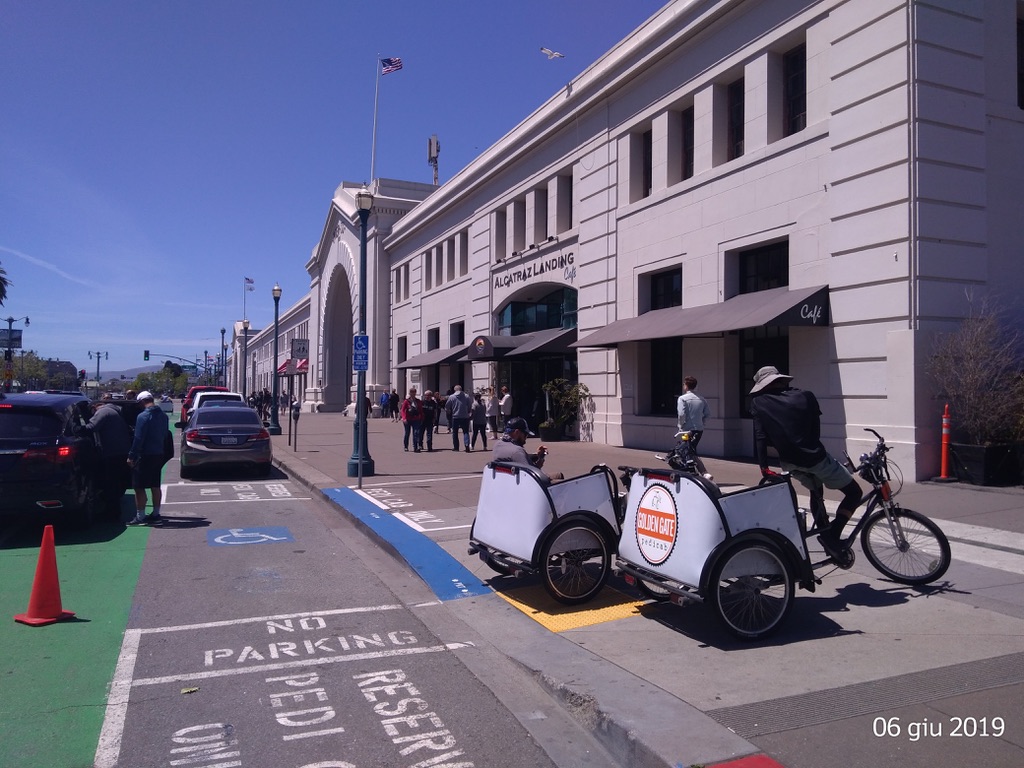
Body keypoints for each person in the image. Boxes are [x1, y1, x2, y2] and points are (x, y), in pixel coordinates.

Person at [749, 366, 862, 559]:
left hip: (788, 462)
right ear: (783, 380)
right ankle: (832, 535)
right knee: (854, 493)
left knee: (816, 491)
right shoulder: (806, 396)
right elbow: (815, 430)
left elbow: (760, 436)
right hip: (814, 457)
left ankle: (826, 537)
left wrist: (764, 467)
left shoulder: (758, 402)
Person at [83, 400, 133, 518]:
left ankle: (112, 513)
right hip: (120, 451)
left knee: (111, 484)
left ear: (94, 407)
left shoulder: (103, 412)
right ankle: (113, 510)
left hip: (112, 453)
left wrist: (76, 427)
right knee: (114, 483)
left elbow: (91, 427)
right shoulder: (114, 411)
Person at [127, 391, 170, 525]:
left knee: (138, 487)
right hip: (158, 453)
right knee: (155, 485)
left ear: (141, 402)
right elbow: (165, 434)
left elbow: (138, 438)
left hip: (144, 455)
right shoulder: (163, 416)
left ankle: (140, 516)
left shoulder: (143, 416)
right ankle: (156, 513)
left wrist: (131, 456)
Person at [492, 417, 563, 482]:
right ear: (517, 432)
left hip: (508, 479)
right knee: (559, 477)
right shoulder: (517, 451)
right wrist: (540, 460)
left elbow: (515, 458)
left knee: (557, 475)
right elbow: (531, 475)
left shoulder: (498, 445)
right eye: (525, 434)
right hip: (526, 483)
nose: (526, 438)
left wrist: (536, 455)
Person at [676, 375, 711, 449]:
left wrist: (680, 426)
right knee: (692, 449)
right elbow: (708, 414)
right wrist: (701, 423)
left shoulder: (682, 399)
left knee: (684, 449)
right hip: (699, 429)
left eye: (684, 384)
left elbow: (681, 414)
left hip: (687, 429)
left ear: (686, 386)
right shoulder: (702, 399)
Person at [445, 384, 473, 452]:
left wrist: (448, 411)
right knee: (465, 432)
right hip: (465, 416)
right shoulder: (466, 396)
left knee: (455, 432)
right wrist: (468, 412)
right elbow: (470, 405)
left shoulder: (452, 397)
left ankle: (456, 447)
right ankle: (467, 445)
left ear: (455, 390)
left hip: (455, 416)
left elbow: (447, 406)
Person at [400, 388, 424, 452]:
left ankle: (415, 447)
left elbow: (421, 410)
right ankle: (406, 446)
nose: (413, 393)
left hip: (416, 419)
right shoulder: (406, 401)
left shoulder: (418, 401)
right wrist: (404, 418)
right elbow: (402, 410)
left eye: (414, 392)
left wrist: (421, 418)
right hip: (407, 419)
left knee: (416, 433)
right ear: (409, 393)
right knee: (407, 433)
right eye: (411, 392)